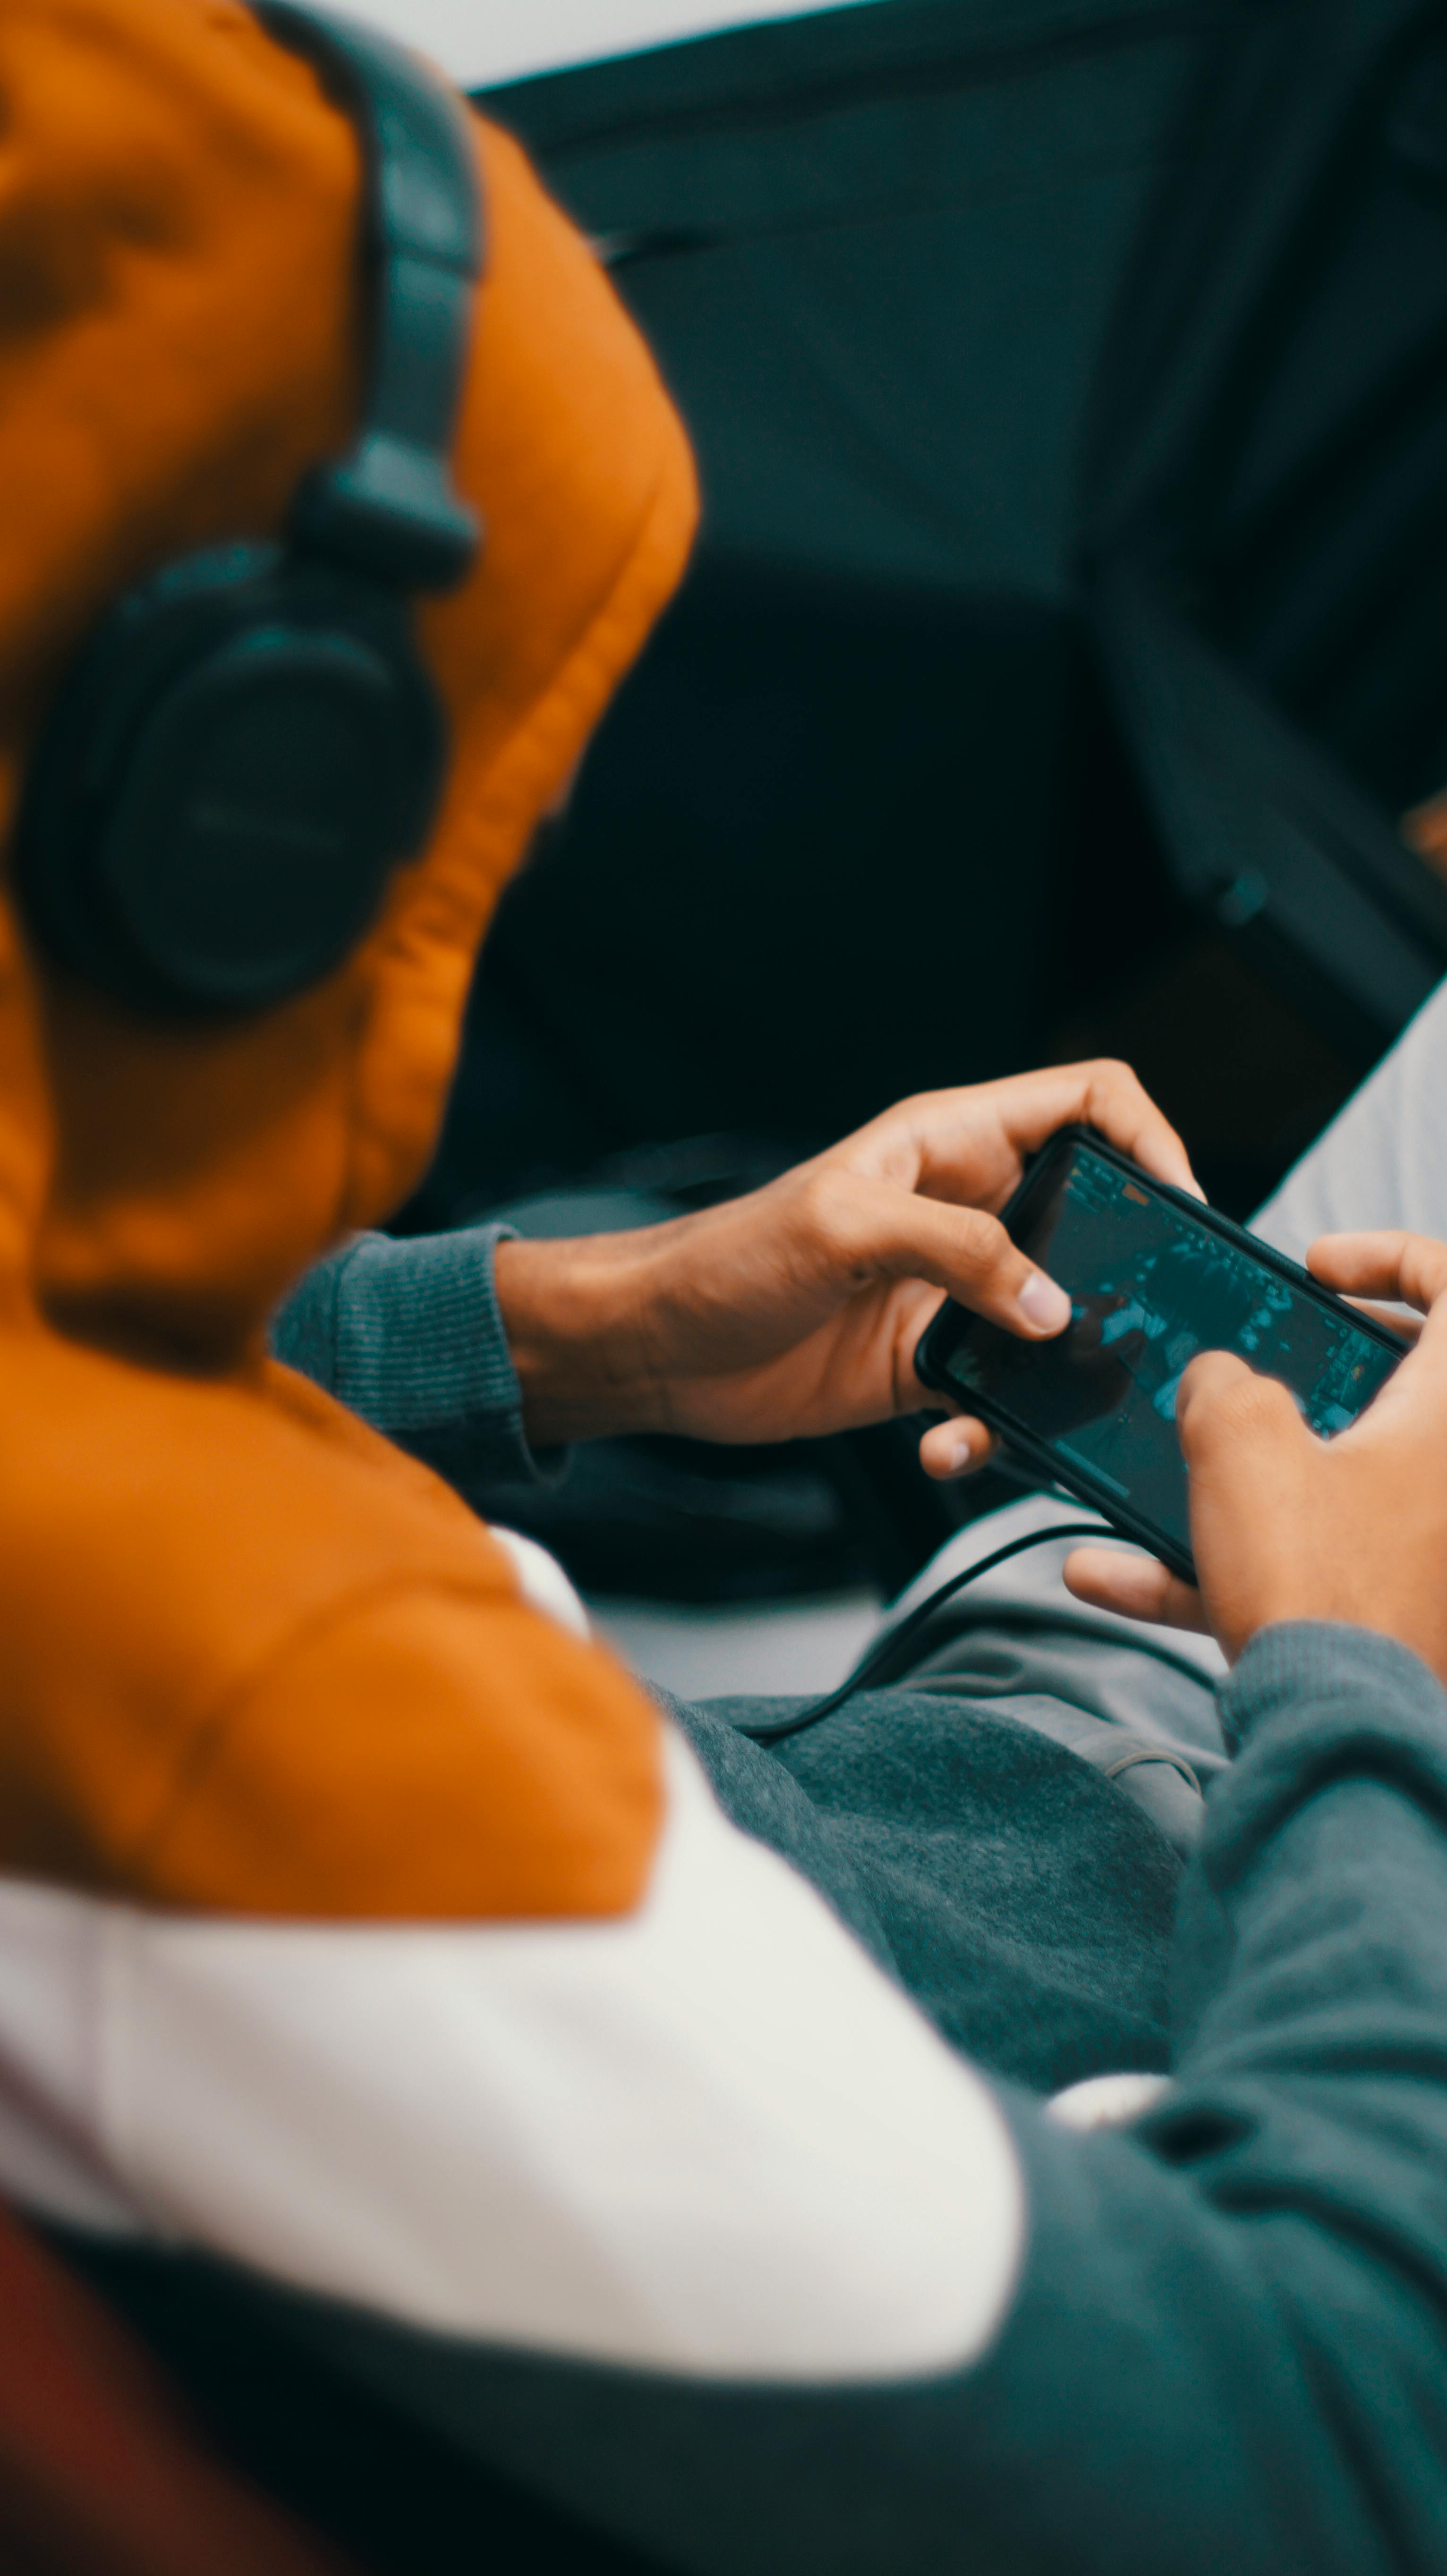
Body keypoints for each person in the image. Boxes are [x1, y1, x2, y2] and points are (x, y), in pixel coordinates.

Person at [5, 7, 1447, 2573]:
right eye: (477, 808)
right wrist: (1371, 1680)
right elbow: (1326, 2452)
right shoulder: (246, 1737)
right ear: (225, 818)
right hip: (1239, 1899)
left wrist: (596, 1324)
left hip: (948, 1775)